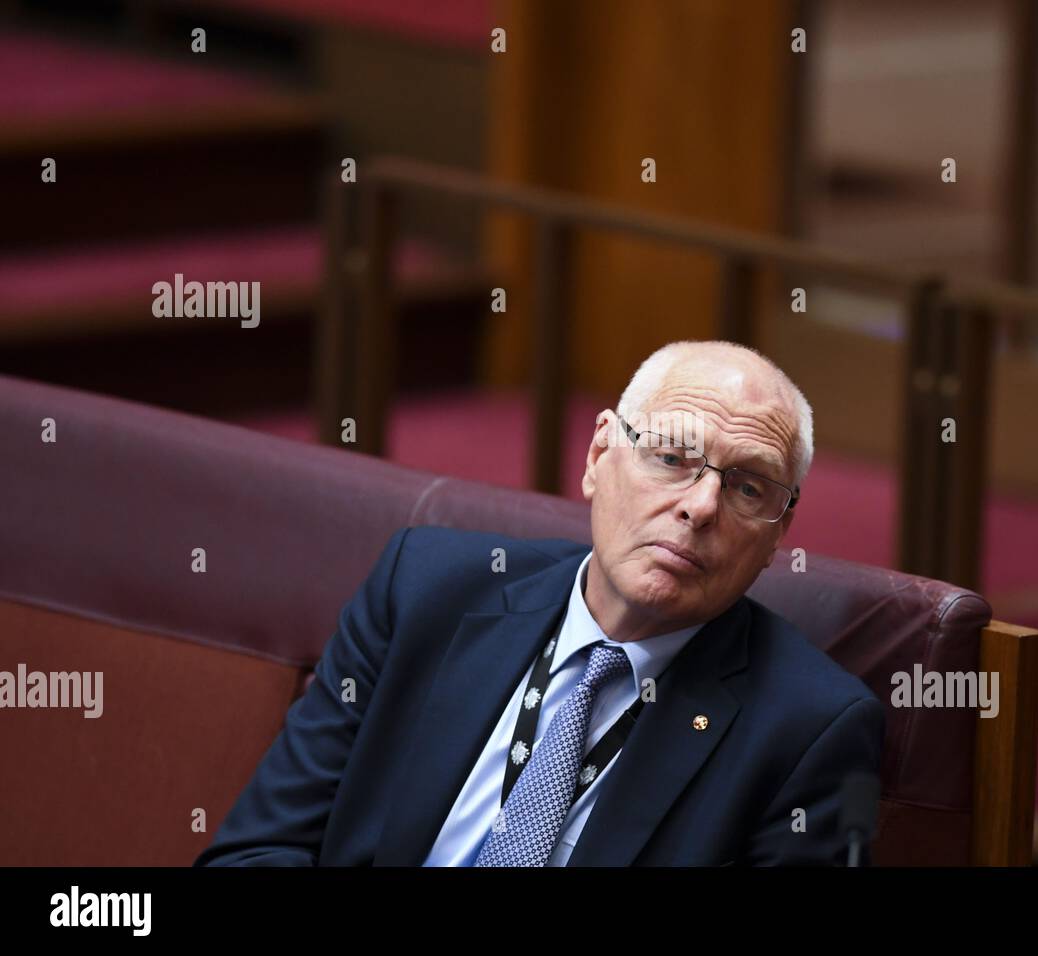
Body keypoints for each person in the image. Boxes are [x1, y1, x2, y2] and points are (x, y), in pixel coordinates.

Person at [195, 340, 884, 866]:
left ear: (777, 535)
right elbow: (257, 850)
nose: (701, 507)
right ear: (598, 456)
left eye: (748, 488)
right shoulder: (423, 591)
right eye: (672, 457)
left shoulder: (807, 729)